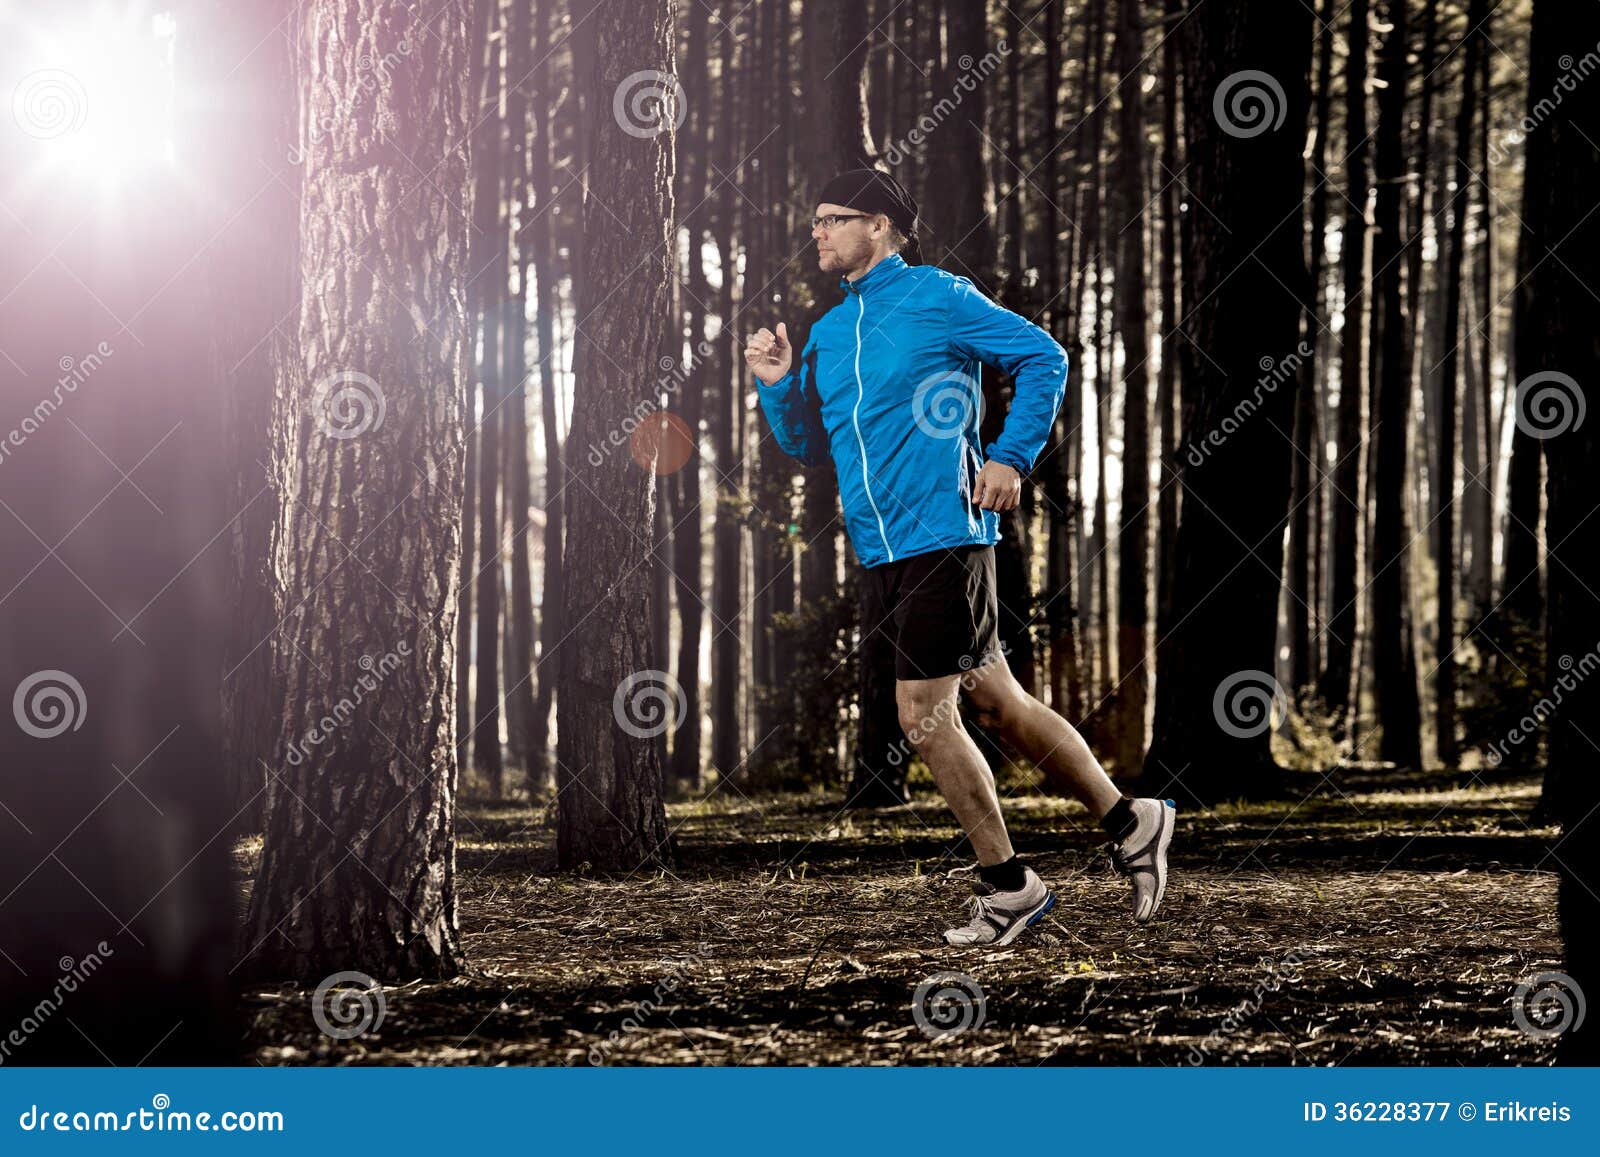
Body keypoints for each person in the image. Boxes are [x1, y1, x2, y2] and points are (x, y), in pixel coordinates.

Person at [747, 169, 1174, 946]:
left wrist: (1010, 456)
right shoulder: (828, 333)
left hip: (946, 532)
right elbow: (813, 446)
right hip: (881, 551)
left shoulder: (940, 296)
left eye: (831, 220)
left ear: (878, 225)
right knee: (997, 700)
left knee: (924, 714)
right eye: (814, 222)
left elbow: (1044, 357)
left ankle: (1009, 885)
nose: (817, 233)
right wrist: (777, 386)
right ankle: (1131, 819)